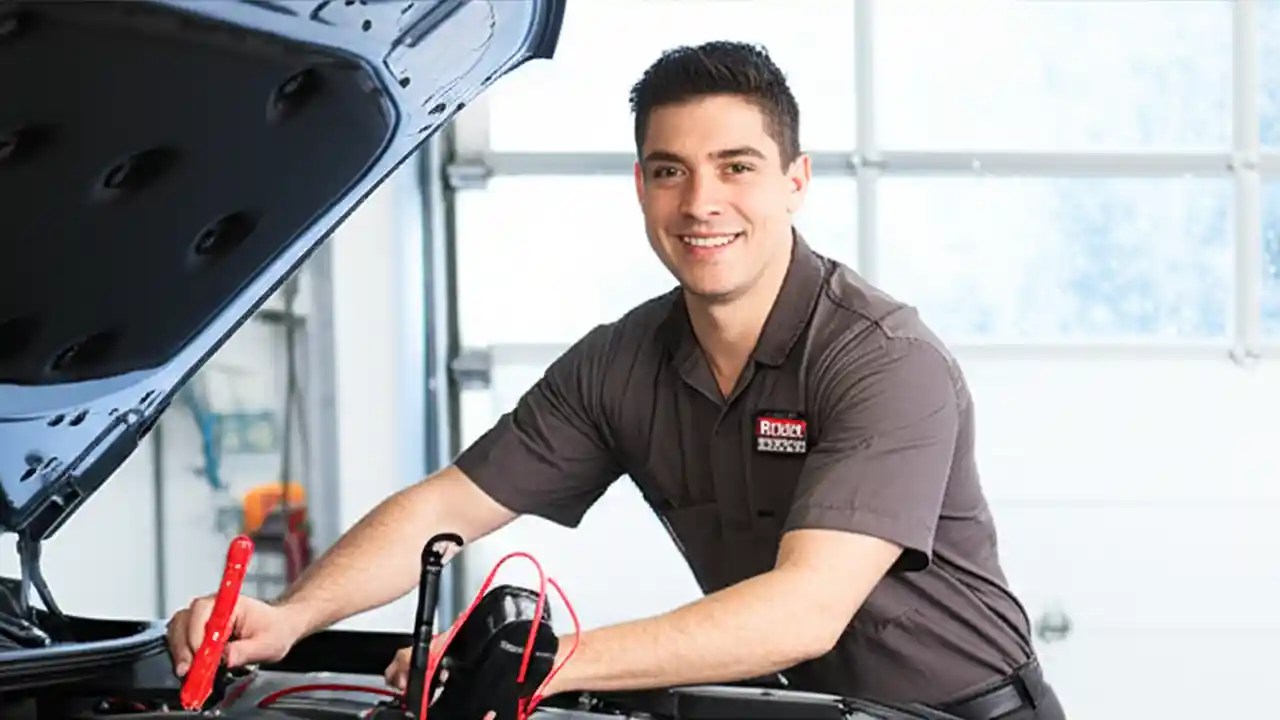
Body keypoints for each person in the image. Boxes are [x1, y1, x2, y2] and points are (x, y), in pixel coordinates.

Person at [166, 41, 1065, 720]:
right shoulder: (619, 362)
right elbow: (448, 505)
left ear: (796, 181)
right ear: (641, 187)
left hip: (969, 711)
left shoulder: (881, 357)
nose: (701, 203)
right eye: (671, 171)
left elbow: (804, 611)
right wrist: (291, 616)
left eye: (737, 167)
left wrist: (541, 662)